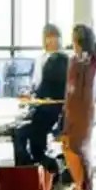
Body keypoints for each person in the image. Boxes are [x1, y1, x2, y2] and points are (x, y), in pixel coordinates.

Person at [13, 24, 69, 174]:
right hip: (39, 107)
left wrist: (37, 95)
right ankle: (33, 166)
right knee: (20, 131)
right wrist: (31, 94)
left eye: (53, 37)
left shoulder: (60, 60)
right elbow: (37, 85)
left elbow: (52, 87)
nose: (50, 41)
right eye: (47, 37)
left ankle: (34, 168)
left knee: (21, 133)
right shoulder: (41, 59)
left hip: (50, 110)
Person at [61, 24, 96, 190]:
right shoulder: (91, 60)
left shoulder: (77, 61)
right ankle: (85, 189)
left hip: (77, 109)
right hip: (85, 108)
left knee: (72, 147)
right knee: (80, 148)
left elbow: (72, 90)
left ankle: (81, 189)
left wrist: (67, 109)